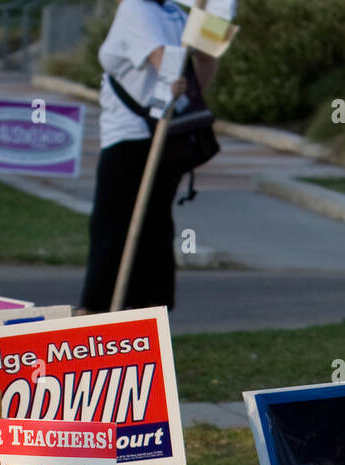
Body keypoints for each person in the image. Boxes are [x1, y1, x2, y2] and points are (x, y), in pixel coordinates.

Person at [79, 0, 218, 314]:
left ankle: (96, 312)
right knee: (154, 225)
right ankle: (149, 311)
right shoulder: (178, 15)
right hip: (165, 135)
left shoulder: (136, 9)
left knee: (112, 225)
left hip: (130, 136)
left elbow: (160, 58)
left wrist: (172, 85)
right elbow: (207, 61)